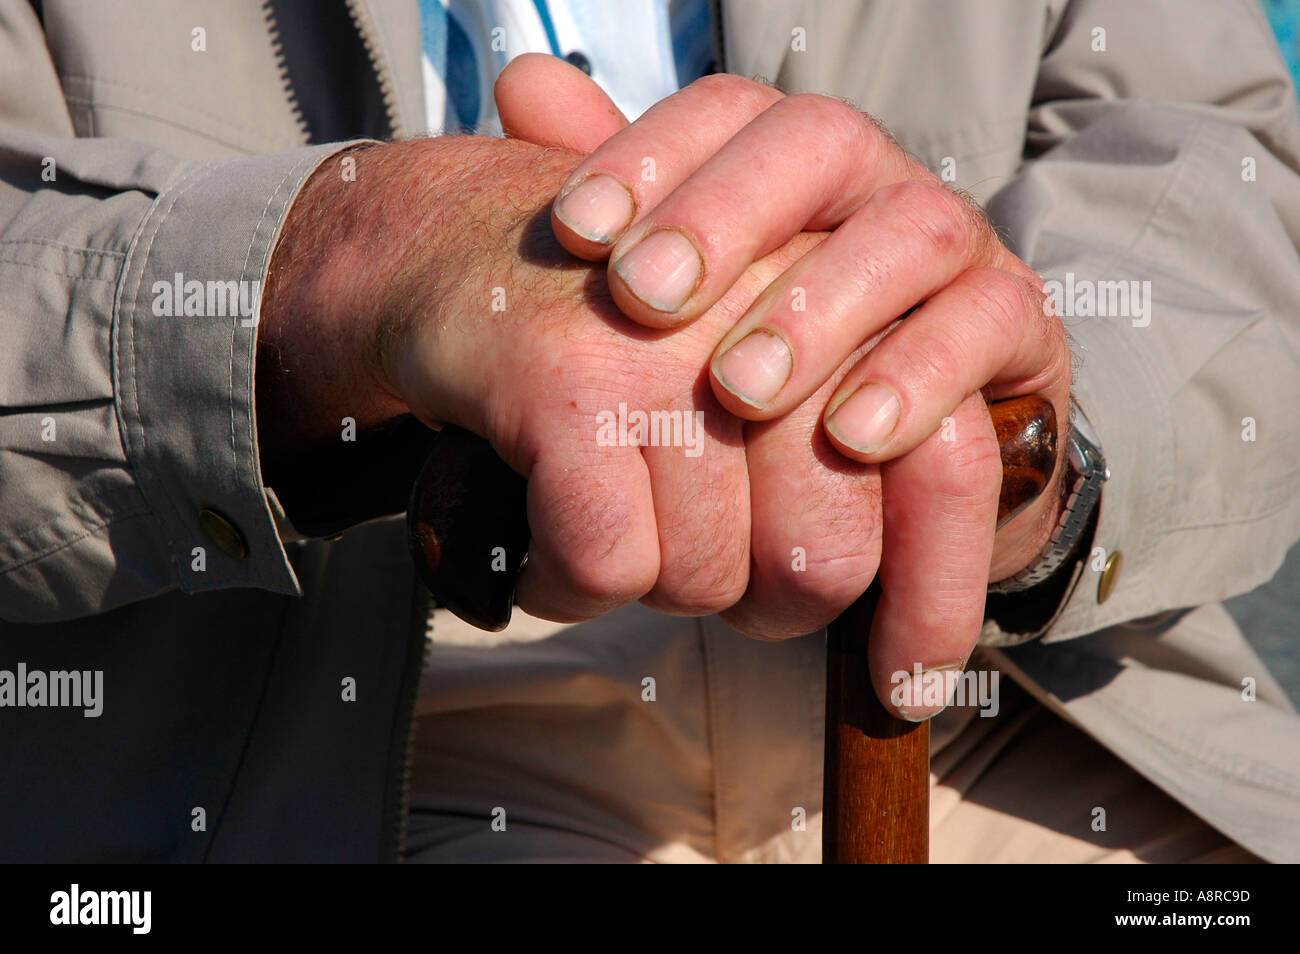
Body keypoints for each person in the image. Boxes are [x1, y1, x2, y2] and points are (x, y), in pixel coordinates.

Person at [1, 0, 1296, 863]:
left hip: (1033, 712)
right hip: (363, 744)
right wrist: (327, 269)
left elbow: (1225, 174)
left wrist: (1033, 434)